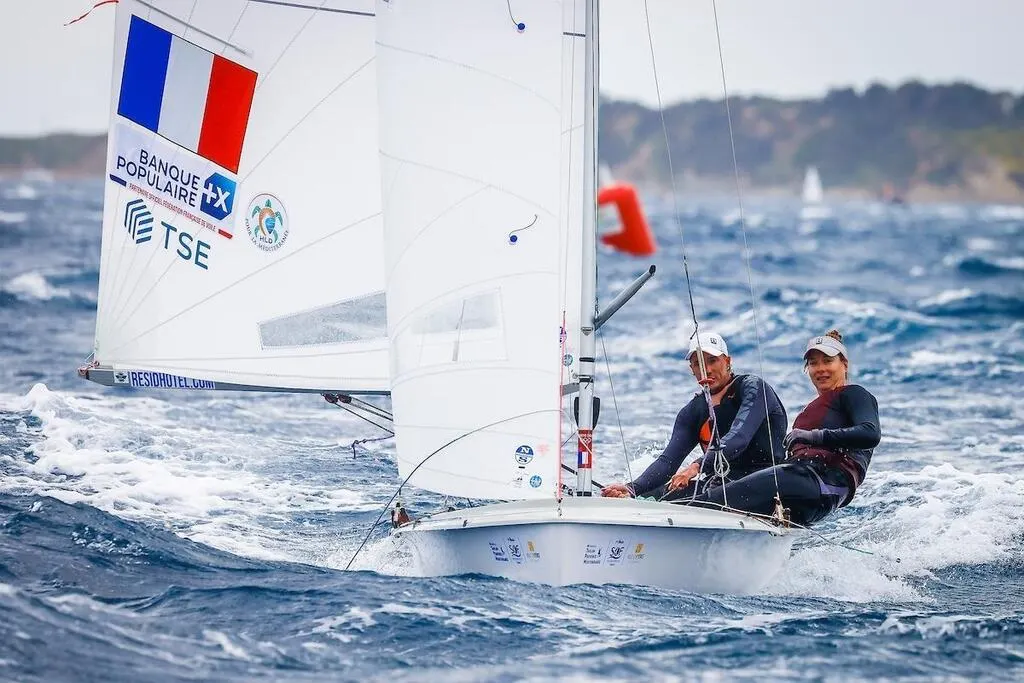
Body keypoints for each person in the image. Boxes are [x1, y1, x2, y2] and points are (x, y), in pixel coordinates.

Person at [685, 329, 881, 526]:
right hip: (800, 484)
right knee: (713, 491)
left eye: (828, 361)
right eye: (813, 363)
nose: (821, 369)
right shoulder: (809, 411)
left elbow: (870, 433)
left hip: (823, 484)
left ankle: (688, 515)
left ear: (844, 364)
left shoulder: (854, 394)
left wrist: (815, 436)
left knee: (714, 499)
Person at [601, 331, 787, 500]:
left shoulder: (753, 388)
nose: (706, 369)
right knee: (650, 497)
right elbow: (668, 461)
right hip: (720, 485)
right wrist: (632, 488)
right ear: (692, 369)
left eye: (712, 361)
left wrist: (696, 466)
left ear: (727, 361)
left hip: (766, 481)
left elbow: (739, 437)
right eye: (698, 364)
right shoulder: (693, 412)